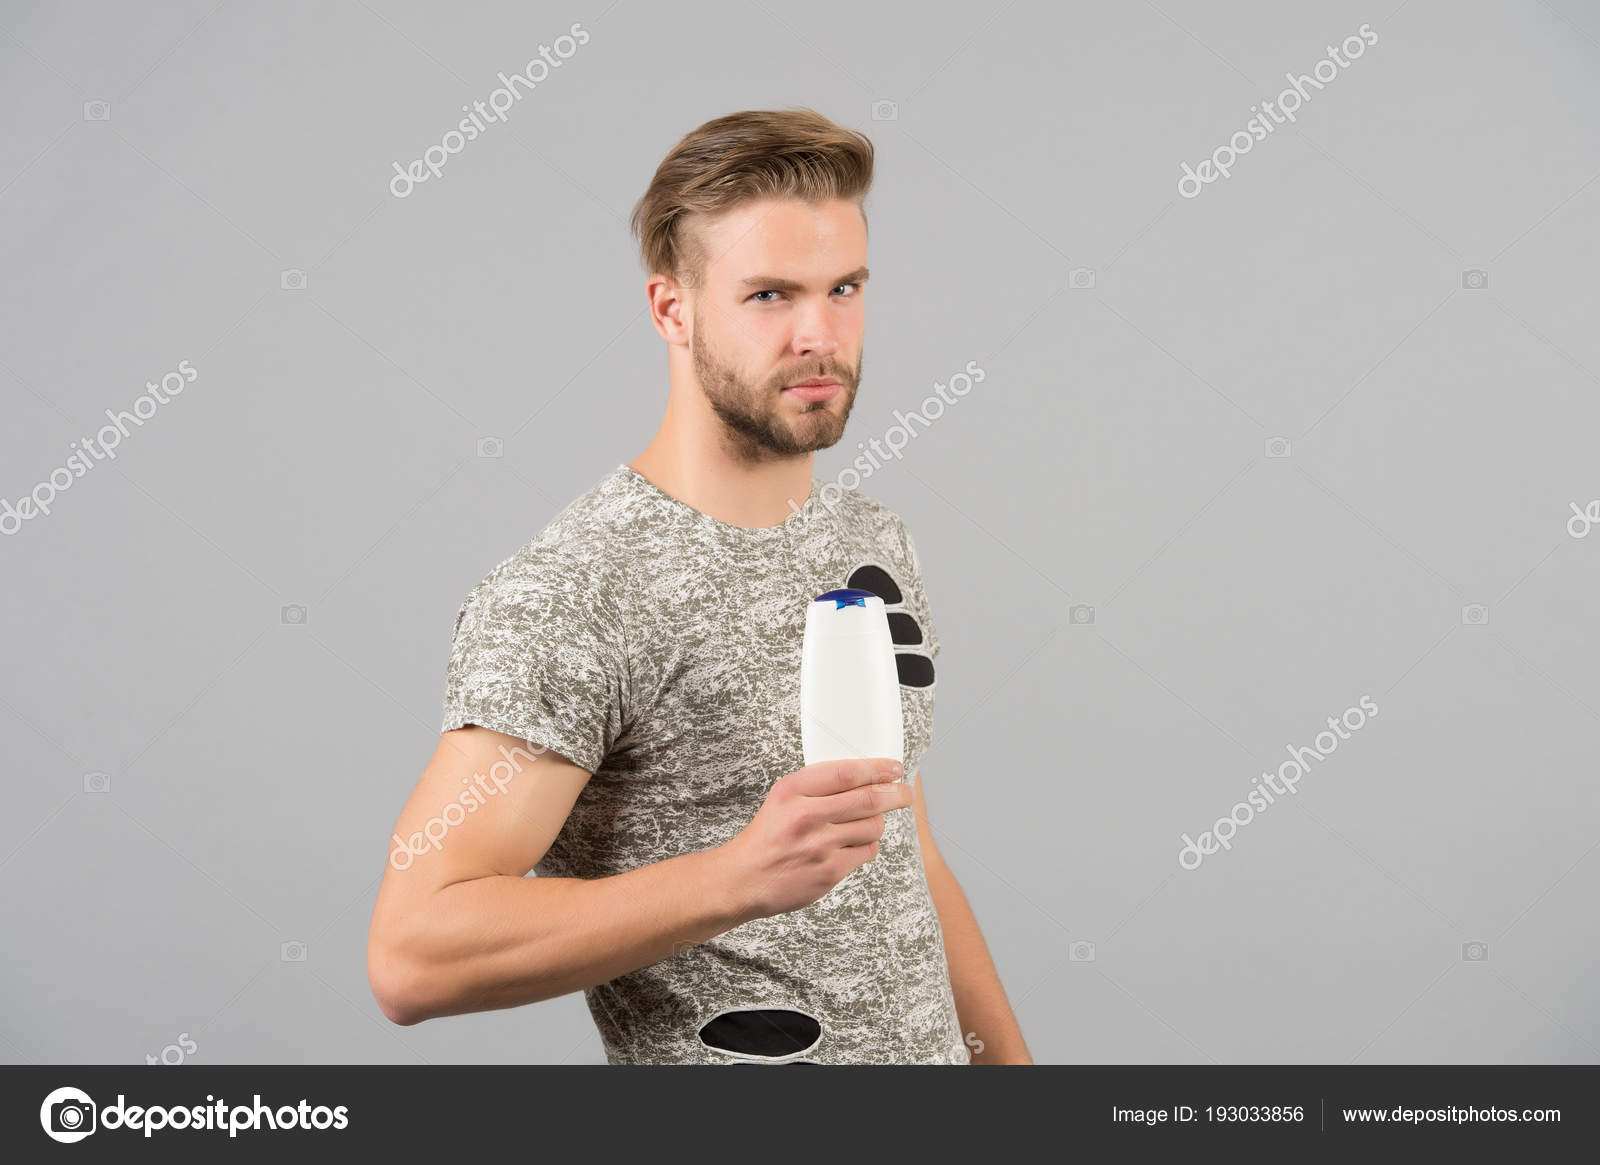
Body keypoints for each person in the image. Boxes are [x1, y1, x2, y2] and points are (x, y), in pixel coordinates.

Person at [366, 107, 1030, 1065]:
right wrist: (736, 876)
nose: (820, 333)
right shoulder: (575, 592)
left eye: (844, 287)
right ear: (672, 309)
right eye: (769, 295)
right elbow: (411, 954)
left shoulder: (870, 543)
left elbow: (905, 854)